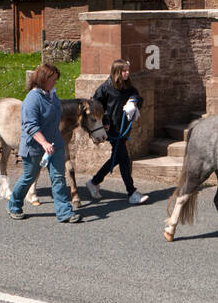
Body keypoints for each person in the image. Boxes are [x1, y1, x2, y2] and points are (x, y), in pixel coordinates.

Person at [9, 63, 82, 223]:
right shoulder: (32, 99)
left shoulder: (52, 94)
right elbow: (30, 125)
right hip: (34, 146)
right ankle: (14, 204)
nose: (55, 83)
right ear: (43, 79)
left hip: (55, 143)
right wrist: (43, 142)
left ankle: (64, 212)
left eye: (56, 79)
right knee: (29, 177)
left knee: (58, 177)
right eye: (53, 79)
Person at [86, 59, 149, 205]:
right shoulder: (106, 88)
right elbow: (95, 105)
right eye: (124, 70)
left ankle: (94, 182)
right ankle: (132, 192)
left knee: (118, 158)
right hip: (112, 129)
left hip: (124, 127)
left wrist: (134, 101)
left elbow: (138, 97)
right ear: (117, 72)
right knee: (124, 159)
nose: (127, 73)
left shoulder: (128, 87)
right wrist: (105, 122)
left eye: (128, 70)